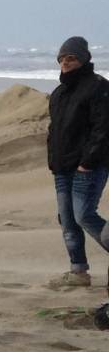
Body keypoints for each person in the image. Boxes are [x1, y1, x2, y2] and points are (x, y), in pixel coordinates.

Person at [47, 36, 109, 288]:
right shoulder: (59, 93)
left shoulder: (98, 86)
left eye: (70, 58)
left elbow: (103, 128)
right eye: (61, 58)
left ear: (83, 59)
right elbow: (54, 130)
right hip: (62, 167)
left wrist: (88, 161)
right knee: (68, 220)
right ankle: (78, 272)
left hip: (88, 166)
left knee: (84, 215)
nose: (65, 62)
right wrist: (53, 160)